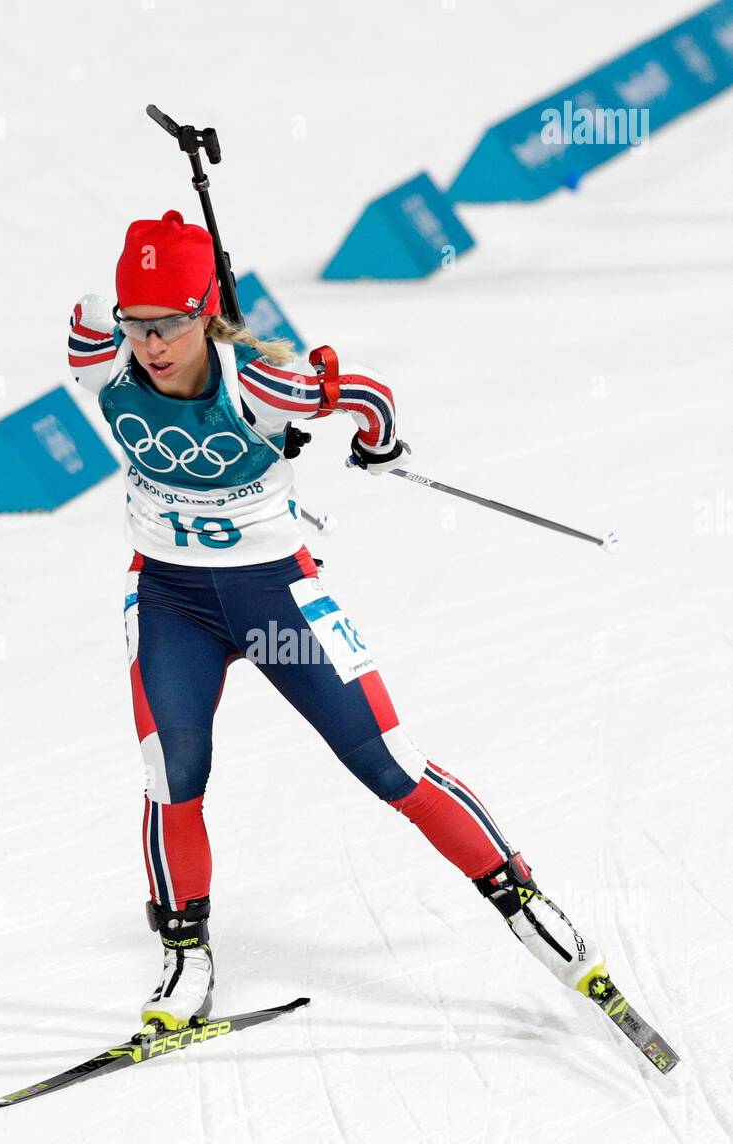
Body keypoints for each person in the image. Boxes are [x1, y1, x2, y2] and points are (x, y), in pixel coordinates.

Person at [68, 209, 611, 1031]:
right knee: (171, 774)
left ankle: (521, 899)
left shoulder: (261, 383)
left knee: (387, 762)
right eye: (137, 324)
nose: (151, 343)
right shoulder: (100, 361)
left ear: (205, 313)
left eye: (172, 323)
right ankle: (185, 954)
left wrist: (380, 446)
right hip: (172, 600)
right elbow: (83, 313)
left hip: (274, 602)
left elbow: (367, 394)